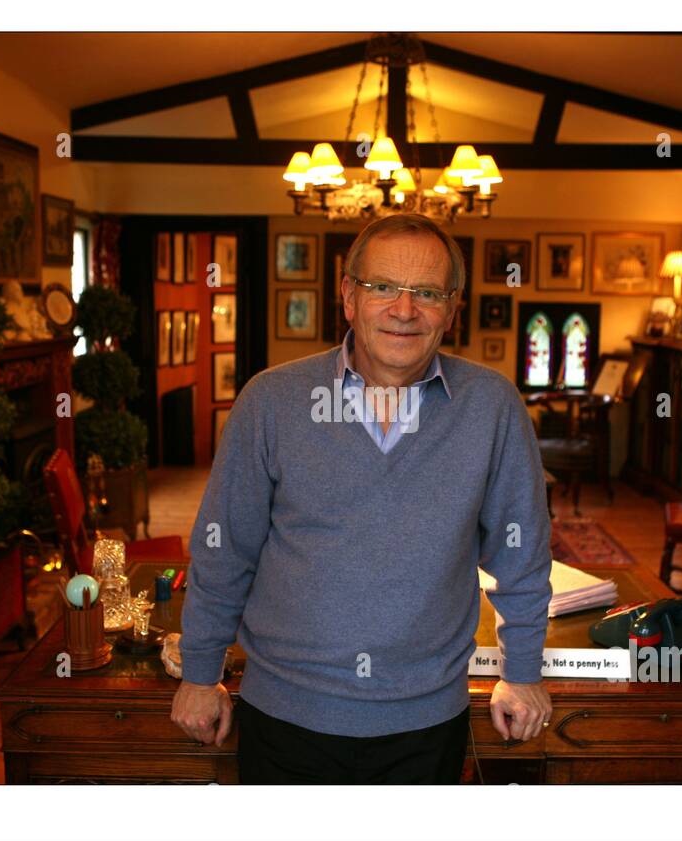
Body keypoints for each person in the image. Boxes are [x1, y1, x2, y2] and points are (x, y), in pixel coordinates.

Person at [171, 213, 553, 784]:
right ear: (348, 296)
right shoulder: (271, 401)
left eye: (428, 293)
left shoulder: (492, 407)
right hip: (284, 714)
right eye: (383, 287)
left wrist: (521, 671)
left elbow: (521, 557)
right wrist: (200, 673)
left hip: (428, 720)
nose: (405, 310)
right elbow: (224, 551)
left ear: (452, 309)